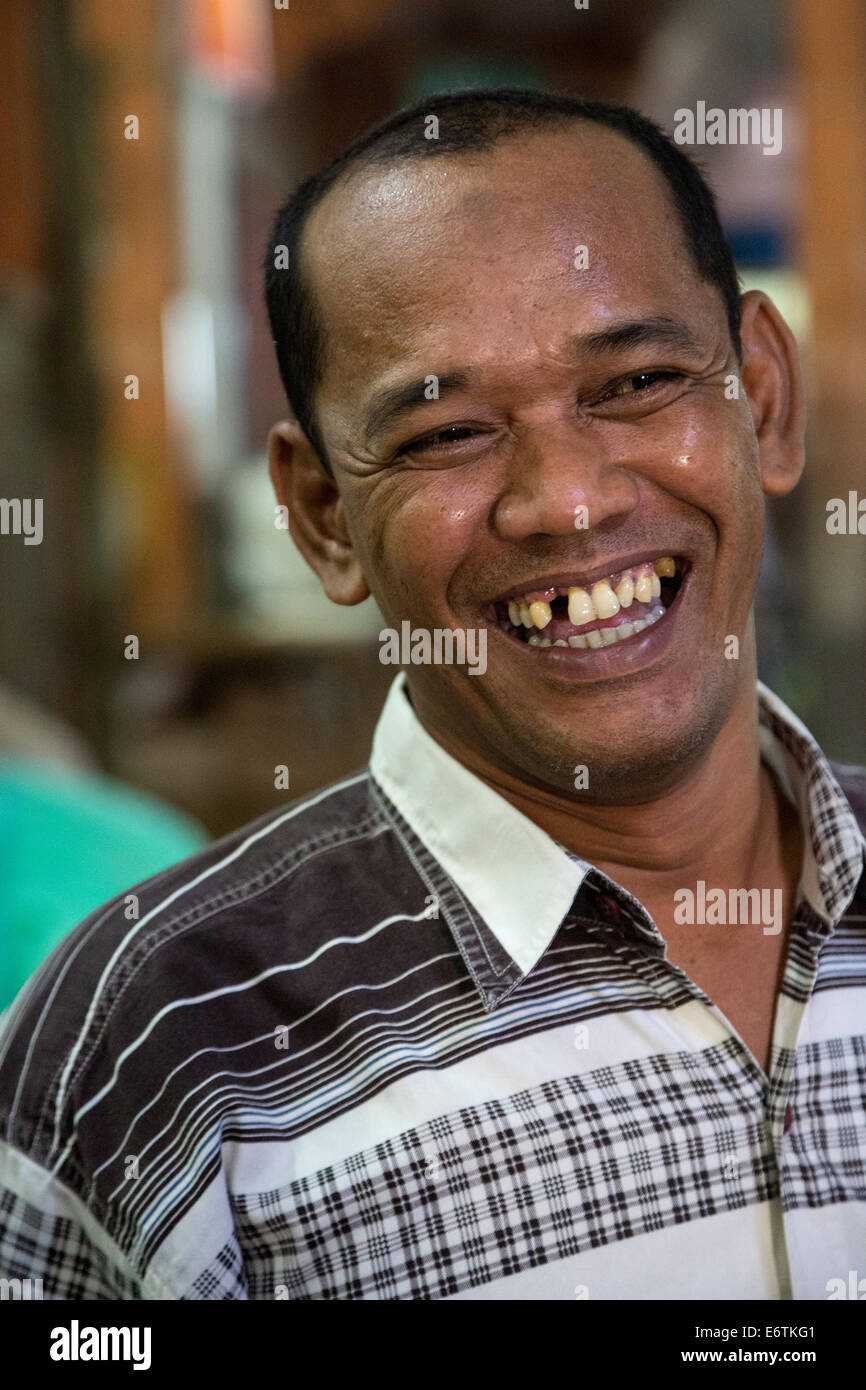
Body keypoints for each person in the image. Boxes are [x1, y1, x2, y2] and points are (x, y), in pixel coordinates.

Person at [1, 89, 864, 1301]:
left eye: (634, 383)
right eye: (446, 434)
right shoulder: (156, 1042)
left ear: (760, 398)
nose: (567, 500)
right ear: (320, 516)